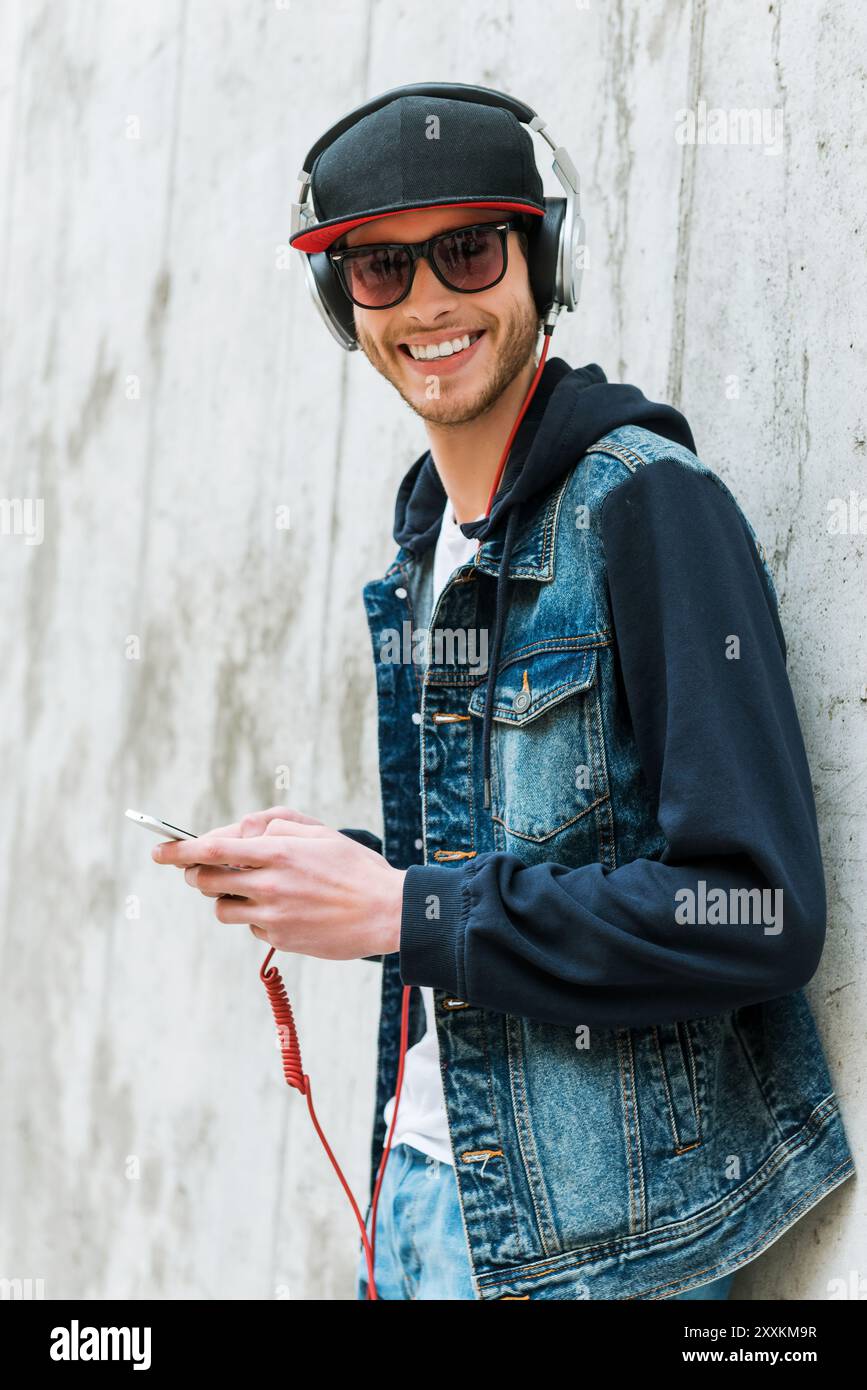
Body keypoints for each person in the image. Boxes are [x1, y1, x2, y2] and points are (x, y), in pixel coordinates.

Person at [154, 85, 855, 1300]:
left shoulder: (648, 506)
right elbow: (510, 867)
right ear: (343, 304)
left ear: (542, 258)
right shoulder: (423, 544)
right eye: (380, 267)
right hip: (430, 1194)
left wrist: (401, 910)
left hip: (602, 1254)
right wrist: (345, 873)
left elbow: (759, 910)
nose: (428, 301)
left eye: (468, 250)